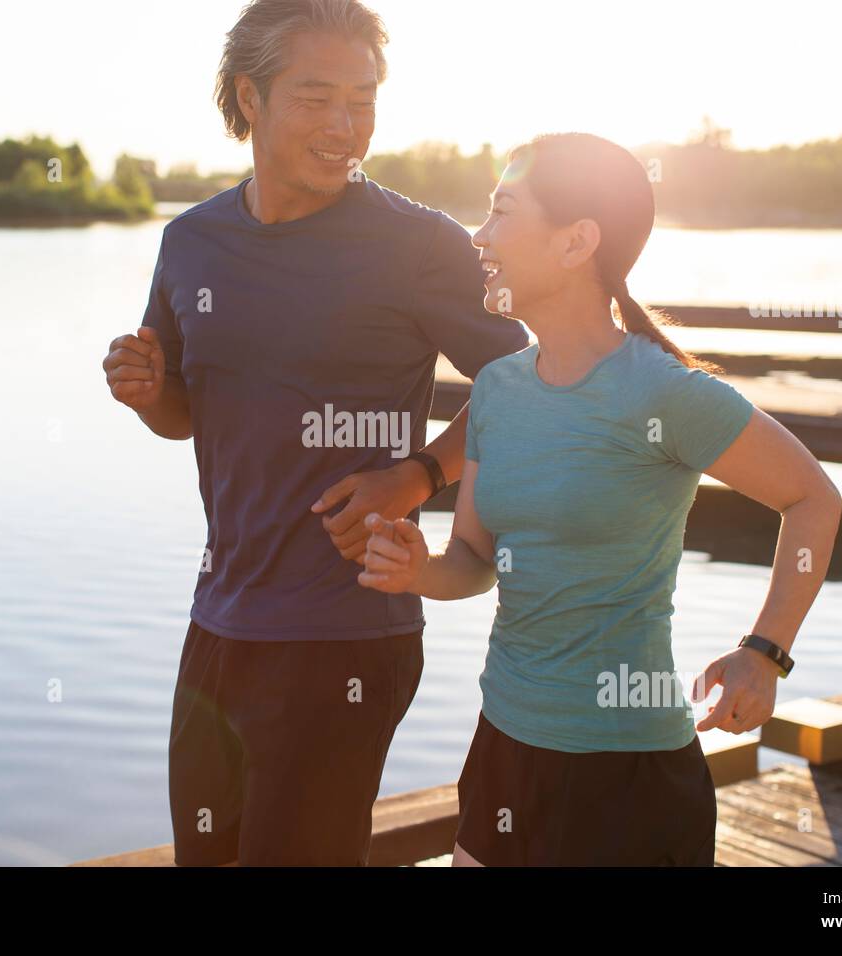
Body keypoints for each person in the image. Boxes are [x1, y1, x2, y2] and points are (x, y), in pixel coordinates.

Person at [101, 0, 528, 865]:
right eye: (317, 98)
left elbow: (527, 384)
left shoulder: (418, 243)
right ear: (248, 97)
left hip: (348, 636)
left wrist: (419, 474)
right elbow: (186, 416)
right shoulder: (191, 244)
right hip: (218, 624)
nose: (346, 126)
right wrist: (147, 393)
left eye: (363, 100)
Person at [358, 132, 842, 866]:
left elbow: (813, 497)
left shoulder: (663, 392)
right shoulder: (497, 390)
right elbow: (473, 560)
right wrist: (416, 568)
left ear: (576, 241)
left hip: (630, 769)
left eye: (502, 214)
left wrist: (765, 653)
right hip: (506, 746)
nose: (479, 236)